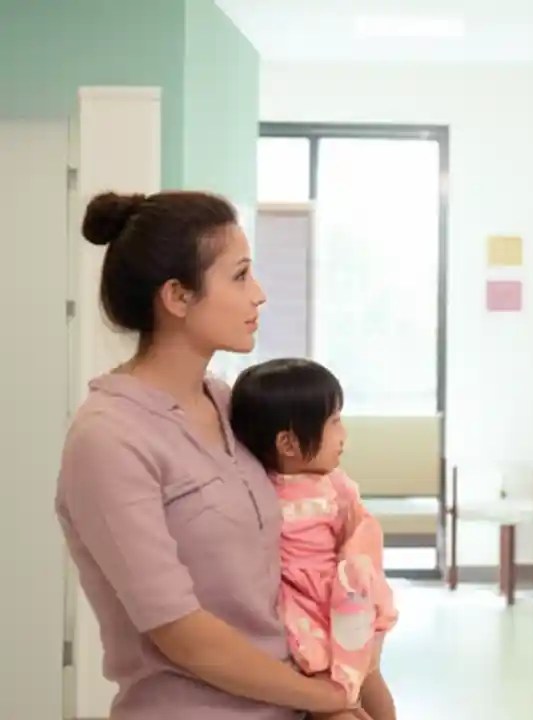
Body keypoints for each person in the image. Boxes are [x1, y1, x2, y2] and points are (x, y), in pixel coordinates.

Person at [56, 191, 368, 719]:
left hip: (291, 703)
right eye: (240, 276)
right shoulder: (109, 438)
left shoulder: (228, 403)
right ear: (177, 296)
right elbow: (182, 633)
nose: (260, 294)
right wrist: (330, 699)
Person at [230, 358, 398, 720]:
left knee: (368, 679)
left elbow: (360, 528)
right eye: (334, 421)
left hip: (344, 597)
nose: (344, 434)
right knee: (332, 699)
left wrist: (355, 564)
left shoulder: (336, 483)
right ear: (288, 443)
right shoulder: (262, 493)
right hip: (304, 610)